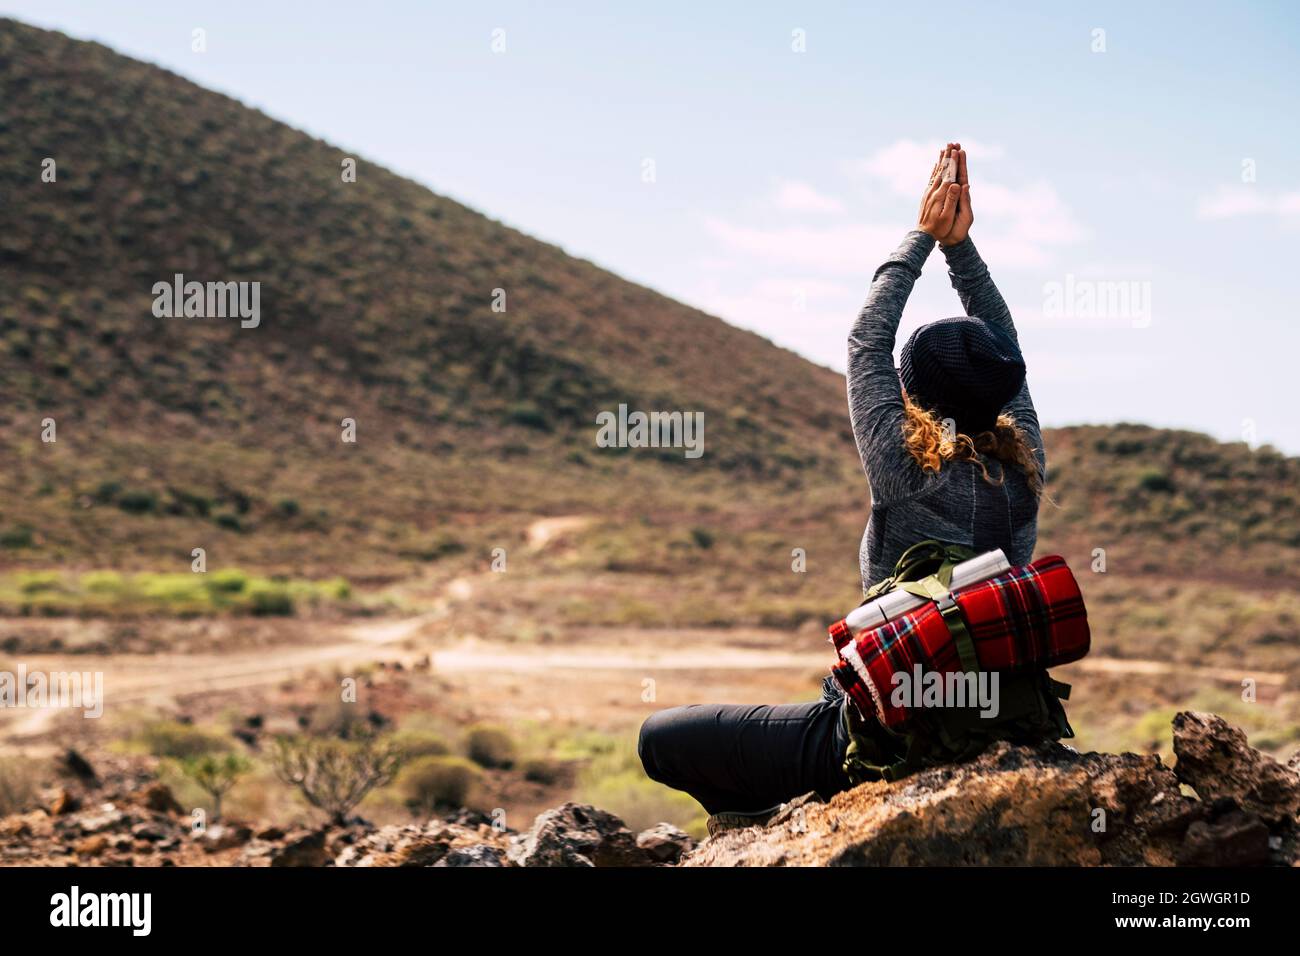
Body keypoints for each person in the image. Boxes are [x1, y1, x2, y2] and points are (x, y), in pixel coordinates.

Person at [637, 143, 1048, 831]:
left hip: (882, 736)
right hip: (989, 727)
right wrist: (963, 251)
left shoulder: (906, 471)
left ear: (913, 397)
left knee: (663, 739)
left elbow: (867, 337)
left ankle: (773, 829)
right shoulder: (1024, 473)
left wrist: (926, 234)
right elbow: (1005, 353)